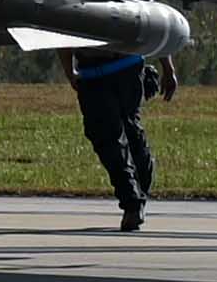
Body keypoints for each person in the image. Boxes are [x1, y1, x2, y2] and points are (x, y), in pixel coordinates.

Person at [72, 43, 176, 230]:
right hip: (103, 71)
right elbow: (62, 34)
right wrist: (168, 68)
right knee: (116, 134)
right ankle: (134, 199)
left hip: (119, 68)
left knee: (116, 136)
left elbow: (154, 29)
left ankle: (134, 201)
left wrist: (168, 68)